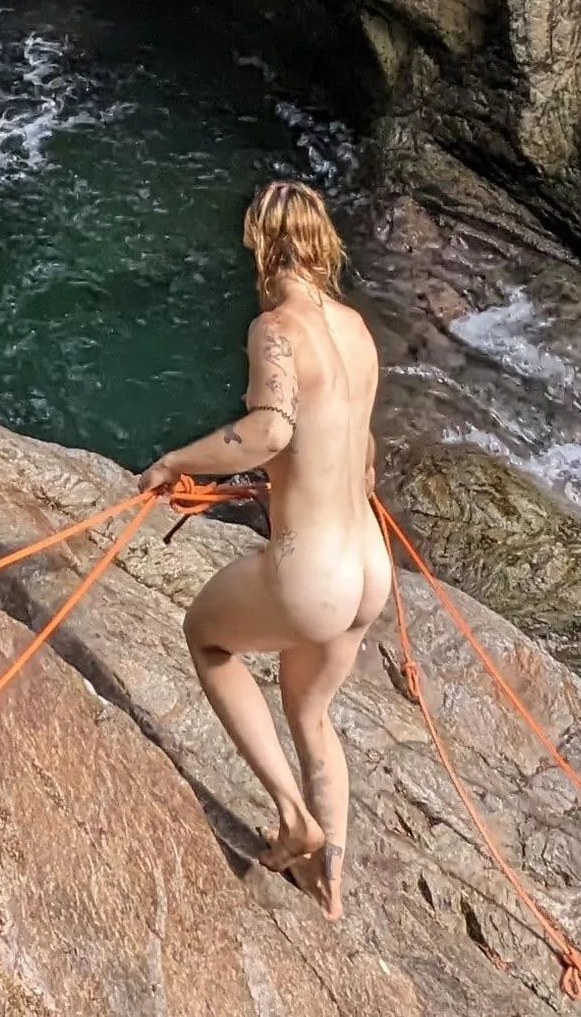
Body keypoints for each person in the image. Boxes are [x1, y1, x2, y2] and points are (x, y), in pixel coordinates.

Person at [139, 179, 391, 920]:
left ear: (258, 243)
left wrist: (175, 463)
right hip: (367, 565)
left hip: (309, 569)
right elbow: (362, 453)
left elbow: (270, 432)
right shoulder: (354, 328)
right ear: (323, 242)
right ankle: (330, 886)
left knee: (206, 637)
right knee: (312, 717)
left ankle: (292, 817)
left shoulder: (275, 327)